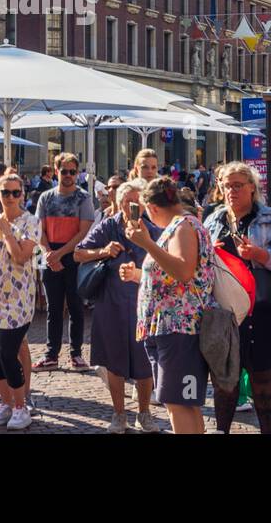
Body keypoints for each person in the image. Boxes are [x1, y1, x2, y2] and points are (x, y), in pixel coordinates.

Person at [204, 162, 271, 434]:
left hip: (261, 310)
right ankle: (222, 431)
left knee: (262, 376)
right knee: (224, 380)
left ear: (252, 188)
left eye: (238, 185)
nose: (231, 191)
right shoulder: (213, 220)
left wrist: (261, 256)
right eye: (227, 185)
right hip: (223, 312)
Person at [121, 176, 213, 435]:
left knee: (178, 404)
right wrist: (139, 275)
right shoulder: (183, 225)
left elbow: (183, 270)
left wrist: (147, 243)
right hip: (176, 329)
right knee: (186, 403)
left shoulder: (183, 226)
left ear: (152, 208)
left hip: (178, 330)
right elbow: (174, 277)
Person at [75, 179, 163, 433]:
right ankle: (119, 413)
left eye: (138, 202)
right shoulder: (108, 226)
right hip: (111, 302)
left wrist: (146, 244)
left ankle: (144, 413)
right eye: (128, 202)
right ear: (119, 203)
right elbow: (79, 253)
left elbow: (165, 258)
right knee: (113, 361)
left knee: (144, 362)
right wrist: (103, 251)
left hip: (143, 304)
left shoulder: (152, 229)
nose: (133, 207)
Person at [0, 173, 42, 430]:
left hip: (18, 300)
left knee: (7, 352)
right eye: (6, 193)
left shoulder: (31, 222)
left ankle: (21, 407)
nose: (11, 198)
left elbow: (21, 258)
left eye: (15, 193)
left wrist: (8, 232)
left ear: (22, 194)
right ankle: (5, 404)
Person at [34, 152, 97, 371]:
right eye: (64, 171)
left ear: (77, 173)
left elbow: (84, 231)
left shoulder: (83, 197)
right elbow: (38, 229)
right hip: (50, 255)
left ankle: (76, 353)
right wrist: (49, 253)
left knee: (75, 306)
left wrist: (59, 254)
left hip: (72, 256)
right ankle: (51, 354)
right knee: (53, 308)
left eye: (72, 171)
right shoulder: (46, 197)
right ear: (56, 171)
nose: (68, 175)